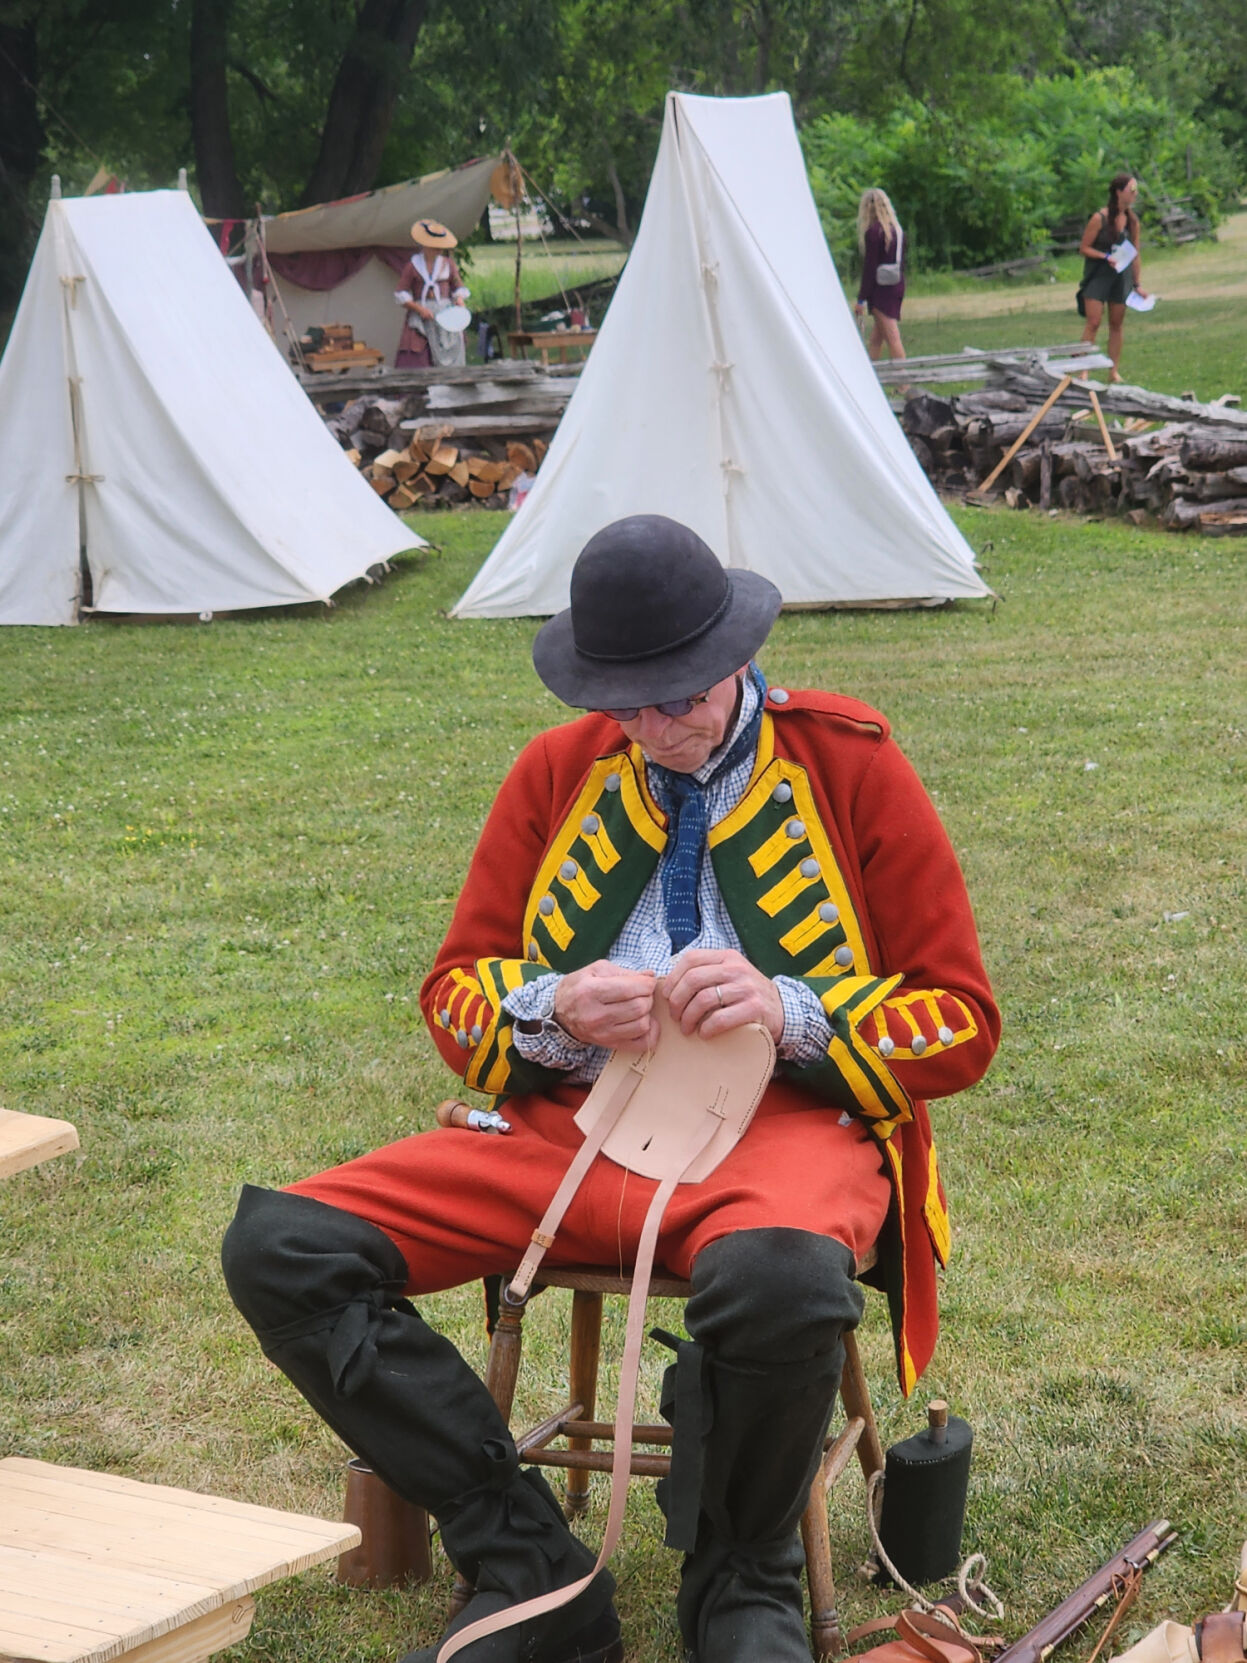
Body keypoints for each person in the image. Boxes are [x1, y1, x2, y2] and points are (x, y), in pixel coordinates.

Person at [220, 516, 1000, 1663]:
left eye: (675, 699)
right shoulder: (557, 768)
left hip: (783, 1127)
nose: (651, 729)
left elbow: (958, 1018)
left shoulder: (846, 762)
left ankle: (741, 1587)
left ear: (734, 657)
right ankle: (525, 1562)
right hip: (567, 1127)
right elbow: (453, 991)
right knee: (281, 1247)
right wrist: (552, 1006)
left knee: (778, 1280)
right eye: (625, 705)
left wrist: (790, 1010)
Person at [1077, 173, 1149, 383]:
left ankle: (1113, 371)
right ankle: (1083, 370)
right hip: (1099, 275)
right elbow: (1084, 248)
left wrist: (1137, 284)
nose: (1135, 194)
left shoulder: (1133, 222)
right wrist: (1104, 256)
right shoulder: (1099, 218)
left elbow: (1135, 254)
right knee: (1094, 322)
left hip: (1121, 277)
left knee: (1116, 324)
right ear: (1119, 192)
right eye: (1131, 190)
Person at [395, 217, 470, 369]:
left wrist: (460, 300)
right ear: (426, 245)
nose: (439, 250)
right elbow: (400, 293)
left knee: (452, 350)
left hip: (445, 314)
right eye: (435, 246)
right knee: (418, 353)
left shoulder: (448, 264)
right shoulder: (413, 266)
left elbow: (458, 287)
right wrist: (420, 309)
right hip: (422, 314)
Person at [854, 187, 907, 362]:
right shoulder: (898, 231)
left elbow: (870, 269)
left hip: (881, 291)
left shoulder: (874, 233)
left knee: (892, 337)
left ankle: (903, 383)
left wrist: (861, 299)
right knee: (876, 339)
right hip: (897, 286)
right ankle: (874, 377)